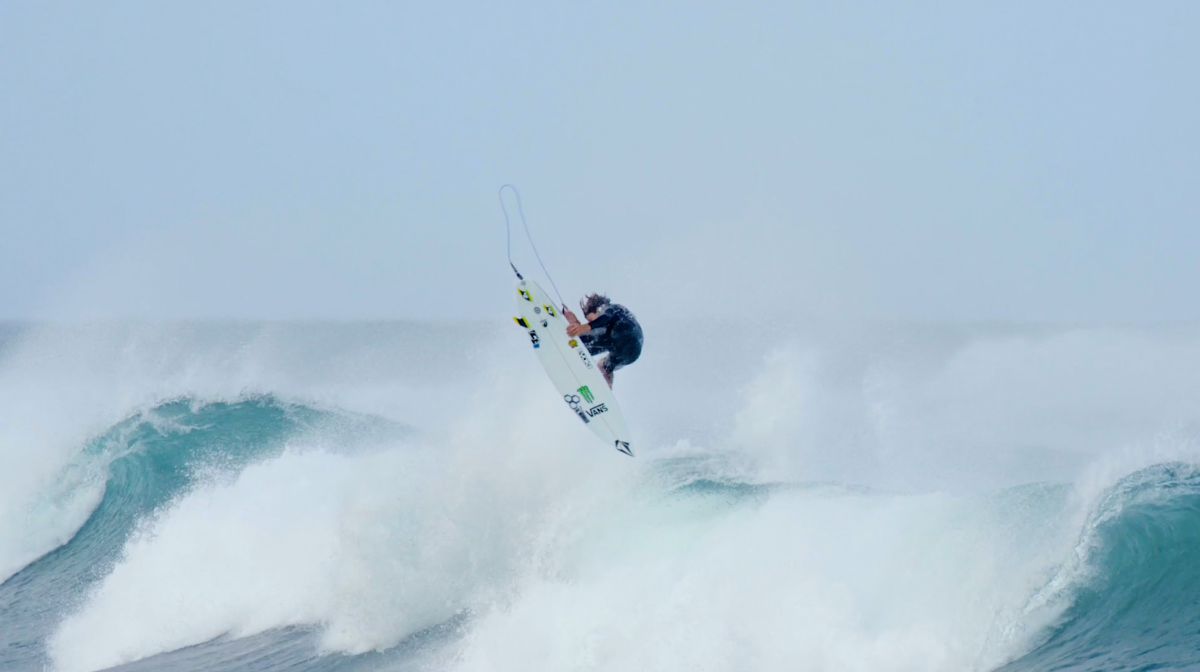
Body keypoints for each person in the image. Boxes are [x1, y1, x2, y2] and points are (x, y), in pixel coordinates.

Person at [564, 293, 642, 387]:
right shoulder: (607, 332)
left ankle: (574, 327)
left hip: (622, 332)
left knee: (582, 341)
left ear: (596, 309)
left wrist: (585, 327)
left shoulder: (607, 307)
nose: (591, 322)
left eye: (590, 319)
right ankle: (605, 391)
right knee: (602, 366)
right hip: (631, 353)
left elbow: (605, 317)